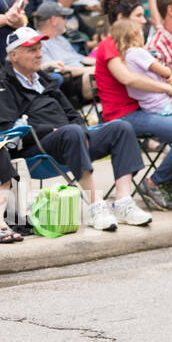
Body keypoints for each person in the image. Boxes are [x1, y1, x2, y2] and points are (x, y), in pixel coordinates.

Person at [0, 26, 153, 230]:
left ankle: (123, 202)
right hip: (37, 149)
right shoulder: (4, 84)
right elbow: (8, 129)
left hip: (73, 140)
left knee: (121, 128)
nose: (39, 54)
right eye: (32, 50)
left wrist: (83, 130)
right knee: (71, 132)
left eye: (39, 48)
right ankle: (95, 205)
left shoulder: (44, 79)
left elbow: (72, 113)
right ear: (14, 55)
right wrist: (48, 130)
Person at [94, 0, 172, 212]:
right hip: (124, 116)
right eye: (138, 16)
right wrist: (169, 88)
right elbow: (127, 79)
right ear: (120, 19)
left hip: (147, 109)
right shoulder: (110, 44)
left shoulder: (130, 45)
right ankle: (156, 182)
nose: (144, 21)